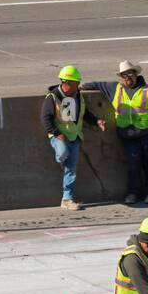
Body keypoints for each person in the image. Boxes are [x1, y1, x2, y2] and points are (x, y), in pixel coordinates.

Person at [85, 60, 148, 205]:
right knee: (133, 165)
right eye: (124, 75)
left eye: (130, 74)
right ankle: (132, 193)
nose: (127, 77)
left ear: (136, 74)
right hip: (128, 136)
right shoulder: (115, 88)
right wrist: (80, 87)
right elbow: (97, 85)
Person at [41, 65, 105, 211]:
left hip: (75, 136)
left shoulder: (77, 95)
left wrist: (97, 121)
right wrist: (57, 134)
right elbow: (46, 119)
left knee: (71, 169)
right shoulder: (52, 98)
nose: (78, 85)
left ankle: (67, 199)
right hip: (59, 136)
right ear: (66, 83)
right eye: (76, 82)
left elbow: (85, 113)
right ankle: (61, 160)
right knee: (63, 153)